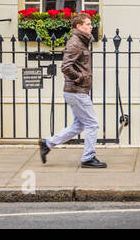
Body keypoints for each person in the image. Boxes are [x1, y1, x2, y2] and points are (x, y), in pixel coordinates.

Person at [38, 12, 105, 168]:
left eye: (91, 24)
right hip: (76, 90)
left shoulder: (81, 41)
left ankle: (47, 144)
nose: (91, 26)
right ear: (78, 26)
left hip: (76, 91)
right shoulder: (75, 43)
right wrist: (80, 78)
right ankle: (88, 158)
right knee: (92, 124)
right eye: (88, 24)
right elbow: (66, 67)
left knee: (79, 125)